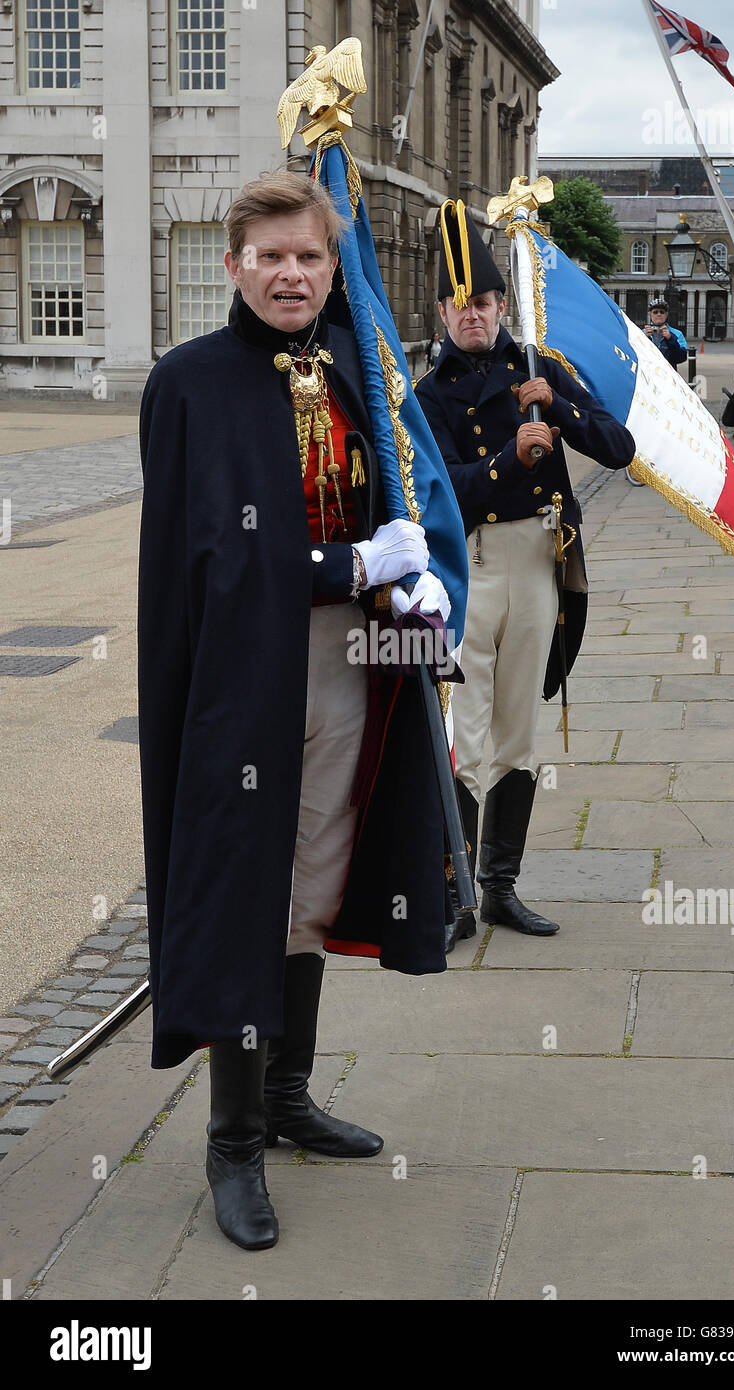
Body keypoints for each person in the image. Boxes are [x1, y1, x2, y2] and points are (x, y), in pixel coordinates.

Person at [138, 171, 463, 1251]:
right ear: (232, 265)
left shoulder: (353, 368)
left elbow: (396, 500)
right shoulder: (188, 383)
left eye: (309, 257)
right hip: (243, 681)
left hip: (349, 667)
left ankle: (285, 1098)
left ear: (332, 268)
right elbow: (215, 557)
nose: (290, 273)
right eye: (270, 256)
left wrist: (406, 583)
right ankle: (232, 1141)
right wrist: (345, 558)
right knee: (249, 888)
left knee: (315, 881)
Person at [415, 200, 635, 951]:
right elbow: (442, 494)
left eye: (483, 301)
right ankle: (452, 893)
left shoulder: (541, 369)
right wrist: (511, 458)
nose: (471, 315)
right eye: (458, 304)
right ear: (442, 310)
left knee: (520, 733)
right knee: (464, 734)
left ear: (502, 303)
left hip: (540, 560)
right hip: (472, 567)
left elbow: (620, 447)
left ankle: (500, 886)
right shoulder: (429, 394)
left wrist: (560, 410)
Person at [626, 296, 689, 484]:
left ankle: (667, 462)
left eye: (662, 312)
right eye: (655, 312)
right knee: (646, 423)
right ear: (650, 315)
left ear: (666, 315)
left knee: (668, 424)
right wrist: (642, 340)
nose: (659, 315)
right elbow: (630, 355)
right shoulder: (641, 333)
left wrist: (670, 340)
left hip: (668, 386)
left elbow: (681, 357)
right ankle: (645, 462)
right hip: (647, 385)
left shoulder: (675, 333)